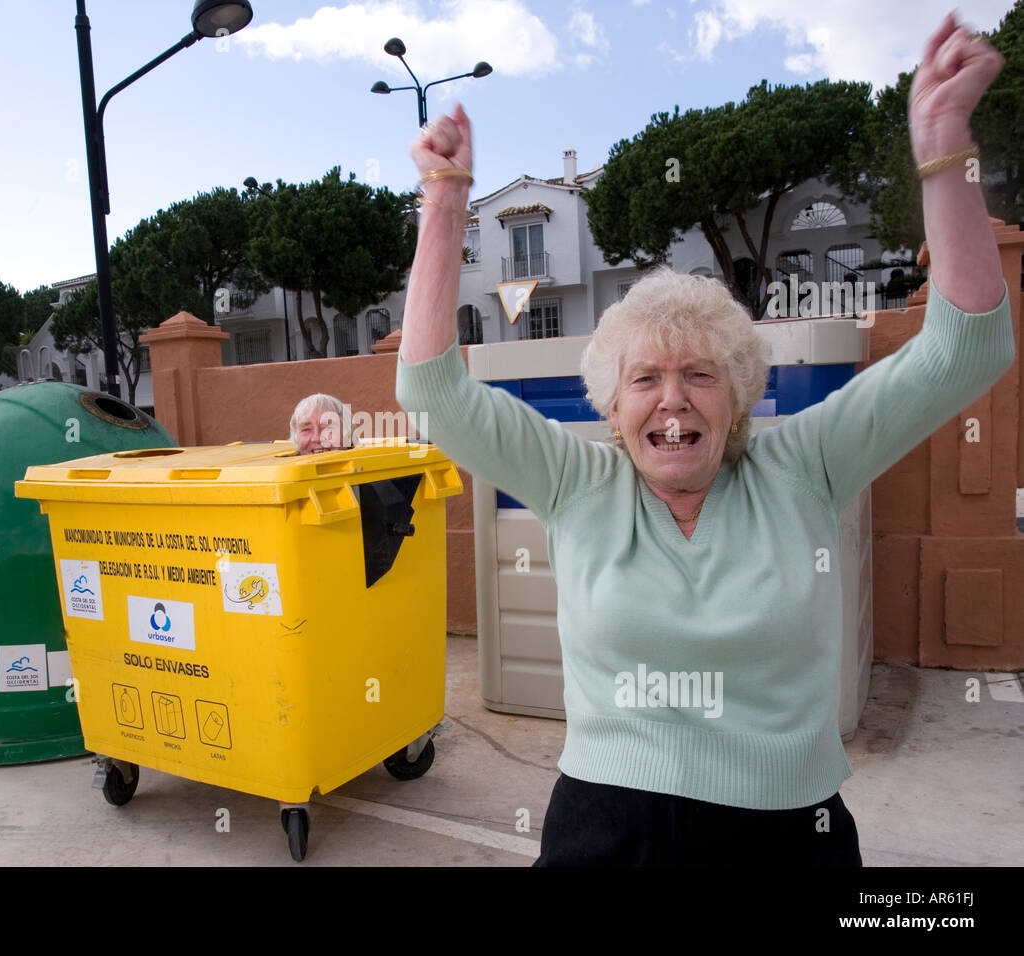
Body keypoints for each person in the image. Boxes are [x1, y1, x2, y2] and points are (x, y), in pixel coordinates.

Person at [395, 13, 1013, 865]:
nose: (672, 402)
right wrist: (446, 204)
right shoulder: (579, 481)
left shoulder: (803, 464)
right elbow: (429, 389)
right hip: (607, 830)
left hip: (790, 832)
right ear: (611, 408)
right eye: (645, 379)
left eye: (700, 375)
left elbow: (965, 346)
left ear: (741, 396)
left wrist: (943, 148)